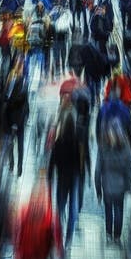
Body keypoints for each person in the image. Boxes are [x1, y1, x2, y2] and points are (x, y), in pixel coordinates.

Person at [48, 95, 82, 247]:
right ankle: (68, 239)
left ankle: (57, 233)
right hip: (73, 179)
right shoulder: (77, 142)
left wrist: (49, 177)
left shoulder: (58, 142)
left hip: (62, 178)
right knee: (73, 209)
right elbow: (79, 163)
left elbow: (52, 162)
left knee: (60, 206)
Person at [94, 121, 131, 244]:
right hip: (120, 186)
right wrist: (128, 186)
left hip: (107, 185)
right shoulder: (126, 146)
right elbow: (130, 169)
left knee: (108, 210)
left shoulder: (103, 146)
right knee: (119, 210)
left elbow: (97, 171)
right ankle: (117, 236)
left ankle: (108, 234)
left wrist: (98, 190)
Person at [0, 58, 28, 178]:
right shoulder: (18, 81)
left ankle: (14, 165)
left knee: (13, 142)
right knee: (17, 143)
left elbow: (8, 98)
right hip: (15, 117)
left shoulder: (12, 80)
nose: (22, 69)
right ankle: (16, 166)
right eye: (21, 67)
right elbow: (20, 100)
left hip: (13, 117)